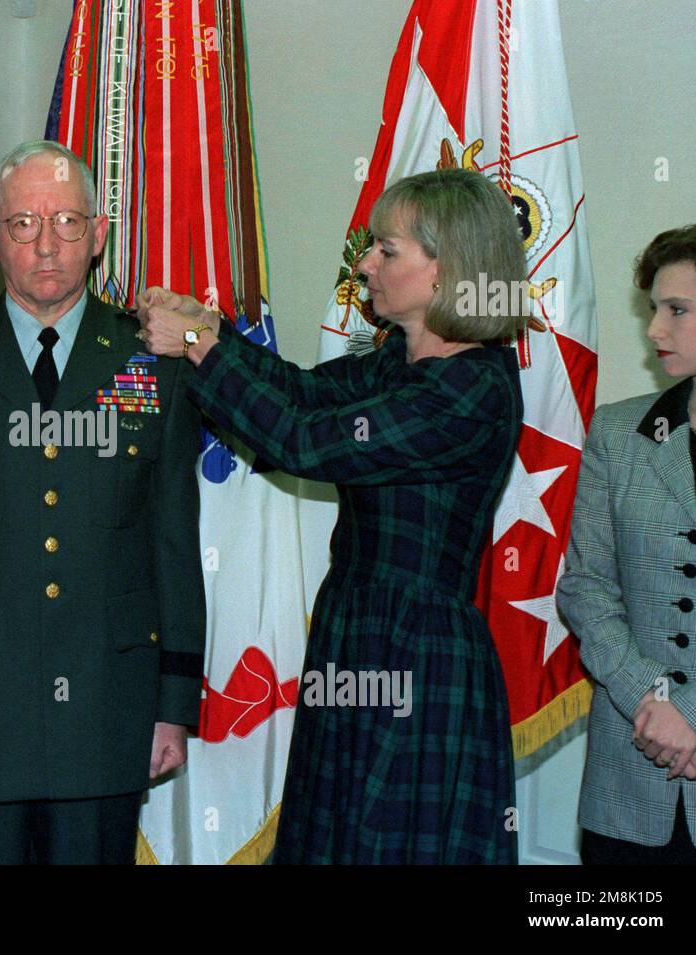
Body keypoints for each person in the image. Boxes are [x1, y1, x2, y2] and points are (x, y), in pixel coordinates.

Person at [138, 168, 527, 863]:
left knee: (393, 843)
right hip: (359, 630)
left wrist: (198, 351)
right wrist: (211, 330)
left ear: (448, 268)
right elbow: (303, 391)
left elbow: (300, 441)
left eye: (386, 250)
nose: (366, 265)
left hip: (415, 650)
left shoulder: (472, 388)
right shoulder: (400, 364)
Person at [0, 141, 206, 864]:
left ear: (100, 234)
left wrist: (174, 704)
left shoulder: (155, 363)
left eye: (68, 223)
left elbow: (172, 545)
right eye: (23, 224)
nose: (47, 244)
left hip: (106, 708)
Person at [557, 220, 696, 864]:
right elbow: (588, 587)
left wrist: (695, 715)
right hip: (628, 769)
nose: (655, 330)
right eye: (654, 309)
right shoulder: (620, 434)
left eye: (678, 310)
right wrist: (652, 701)